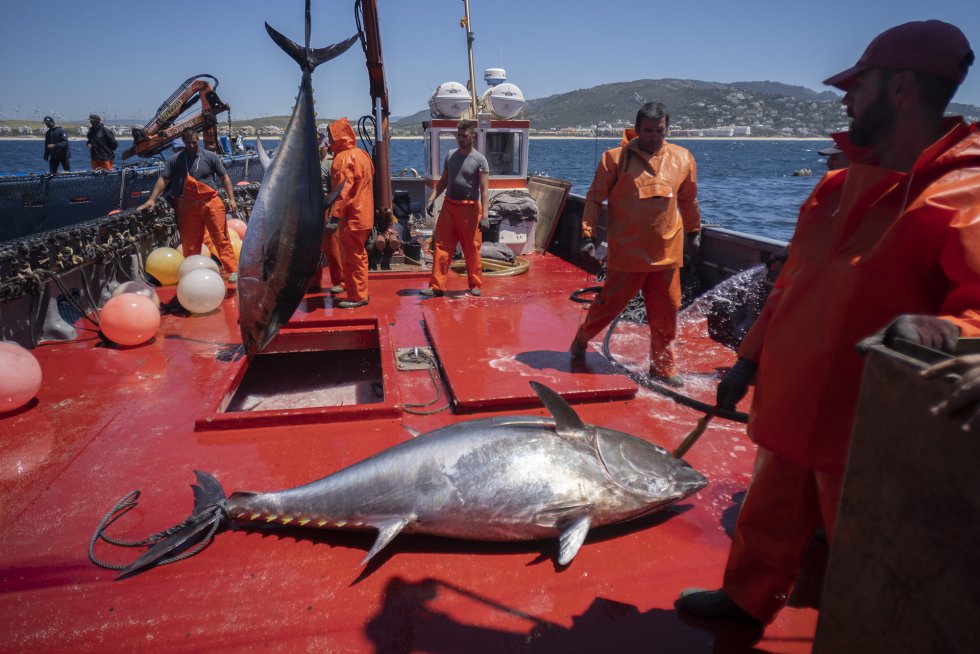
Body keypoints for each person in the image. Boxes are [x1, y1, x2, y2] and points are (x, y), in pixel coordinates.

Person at [678, 20, 980, 627]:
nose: (844, 98)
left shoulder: (962, 195)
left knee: (874, 557)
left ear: (899, 88)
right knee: (771, 499)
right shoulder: (834, 187)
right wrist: (748, 358)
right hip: (792, 398)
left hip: (867, 429)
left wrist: (953, 336)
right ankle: (745, 599)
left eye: (857, 84)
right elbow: (790, 284)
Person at [569, 102, 701, 387]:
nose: (655, 136)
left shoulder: (683, 158)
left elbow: (689, 200)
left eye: (660, 130)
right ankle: (581, 339)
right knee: (608, 306)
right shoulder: (614, 159)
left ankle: (662, 368)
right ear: (637, 129)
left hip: (667, 253)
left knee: (667, 312)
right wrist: (588, 235)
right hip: (627, 253)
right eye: (648, 130)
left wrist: (694, 231)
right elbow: (594, 198)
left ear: (668, 128)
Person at [137, 128, 239, 282]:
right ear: (183, 143)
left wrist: (231, 199)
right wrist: (151, 199)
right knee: (190, 242)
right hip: (188, 206)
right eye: (188, 143)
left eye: (194, 142)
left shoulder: (210, 156)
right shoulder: (175, 160)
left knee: (221, 237)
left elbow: (224, 178)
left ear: (198, 140)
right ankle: (192, 272)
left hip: (211, 203)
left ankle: (233, 270)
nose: (192, 145)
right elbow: (163, 180)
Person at [421, 119, 490, 298]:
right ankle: (437, 286)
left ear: (473, 136)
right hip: (449, 207)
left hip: (470, 209)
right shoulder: (450, 155)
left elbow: (484, 191)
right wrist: (430, 200)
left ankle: (475, 284)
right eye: (458, 135)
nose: (461, 139)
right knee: (441, 246)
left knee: (471, 248)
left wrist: (485, 217)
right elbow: (443, 182)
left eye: (464, 136)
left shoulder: (480, 160)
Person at [325, 117, 374, 309]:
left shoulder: (342, 159)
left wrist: (334, 216)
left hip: (352, 216)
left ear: (338, 136)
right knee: (358, 256)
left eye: (331, 135)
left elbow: (342, 191)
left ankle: (358, 296)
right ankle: (357, 290)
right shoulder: (362, 154)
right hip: (364, 215)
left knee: (353, 257)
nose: (329, 139)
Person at [315, 130, 344, 295]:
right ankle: (313, 281)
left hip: (326, 207)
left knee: (332, 248)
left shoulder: (330, 163)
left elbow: (336, 190)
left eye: (320, 146)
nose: (319, 149)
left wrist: (334, 214)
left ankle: (339, 281)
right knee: (312, 249)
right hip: (310, 207)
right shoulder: (308, 164)